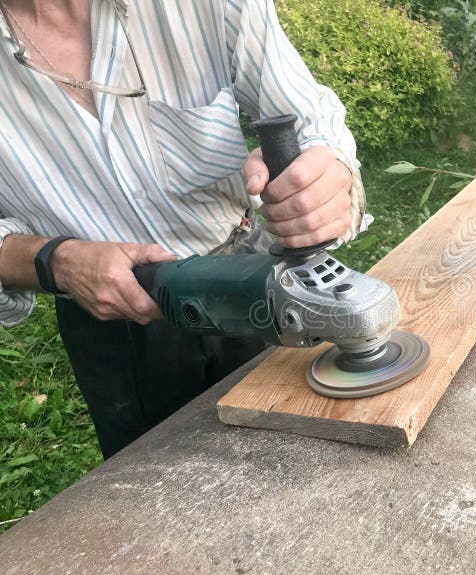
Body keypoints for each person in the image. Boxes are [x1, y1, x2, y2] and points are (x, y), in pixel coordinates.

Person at [0, 0, 369, 458]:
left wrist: (327, 173)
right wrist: (53, 261)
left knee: (305, 455)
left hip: (249, 278)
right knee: (151, 487)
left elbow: (310, 120)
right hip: (114, 320)